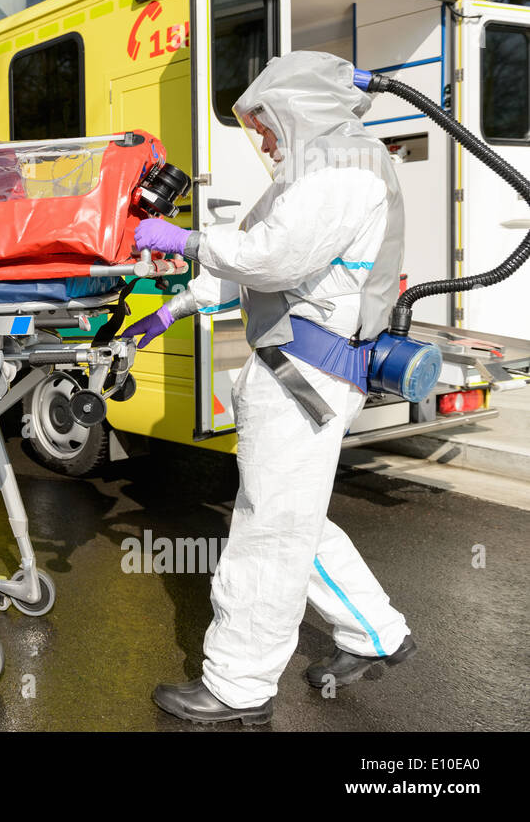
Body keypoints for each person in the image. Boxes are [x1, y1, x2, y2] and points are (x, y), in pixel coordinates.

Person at [125, 51, 415, 725]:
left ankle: (238, 686)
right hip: (299, 370)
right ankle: (376, 633)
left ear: (298, 108)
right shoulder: (315, 173)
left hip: (305, 376)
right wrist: (170, 310)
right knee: (295, 519)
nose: (260, 138)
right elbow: (254, 251)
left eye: (264, 123)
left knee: (268, 531)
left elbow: (269, 257)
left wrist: (185, 239)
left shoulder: (344, 173)